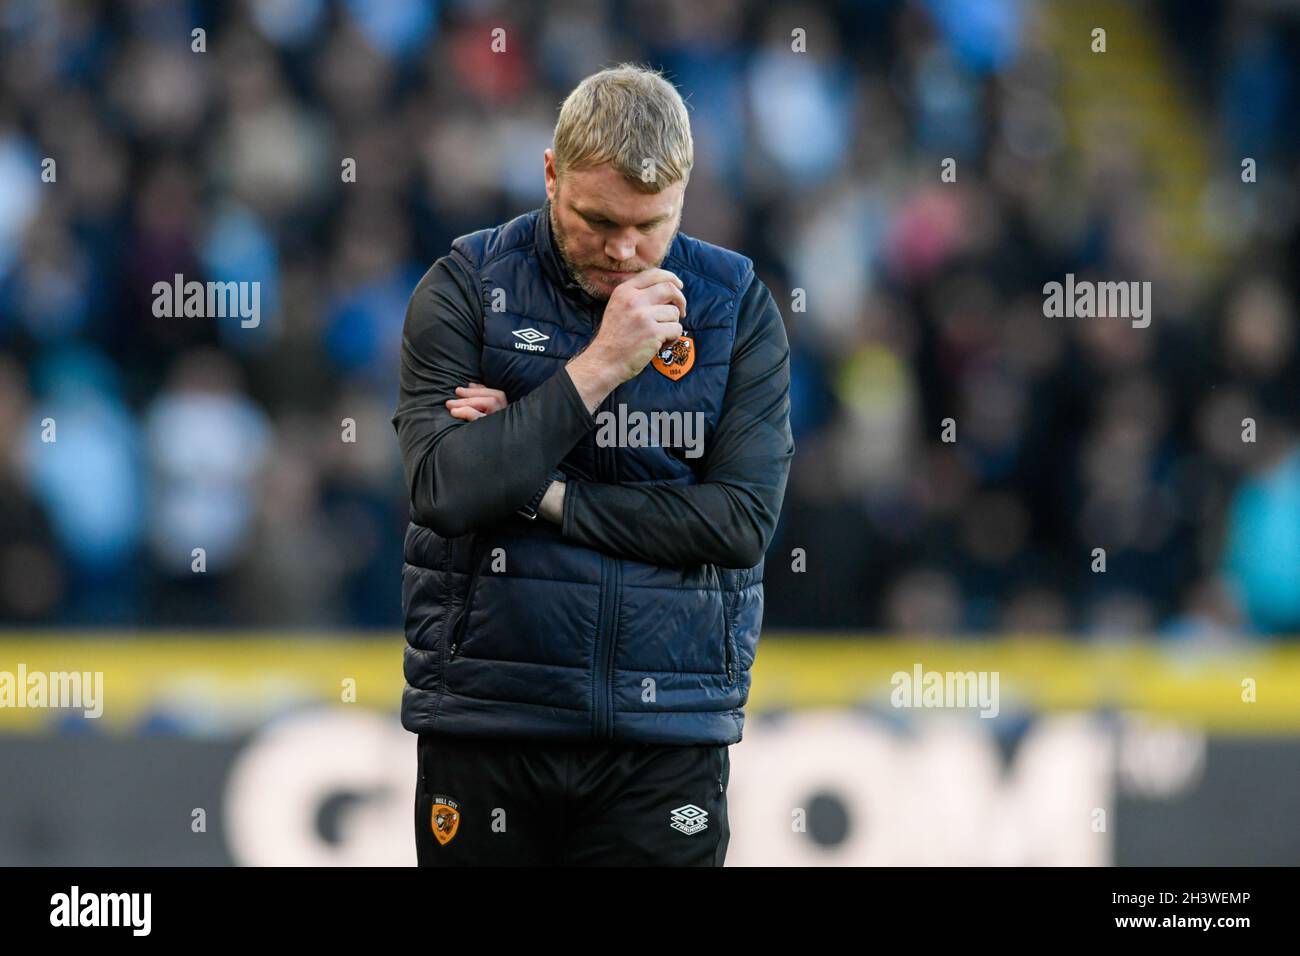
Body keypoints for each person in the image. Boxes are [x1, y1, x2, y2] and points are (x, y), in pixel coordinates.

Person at [392, 63, 794, 865]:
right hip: (491, 719)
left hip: (664, 734)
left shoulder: (736, 303)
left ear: (684, 192)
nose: (623, 249)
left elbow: (739, 525)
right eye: (596, 218)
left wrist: (538, 488)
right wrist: (598, 366)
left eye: (652, 223)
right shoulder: (467, 287)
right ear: (550, 173)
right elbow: (443, 487)